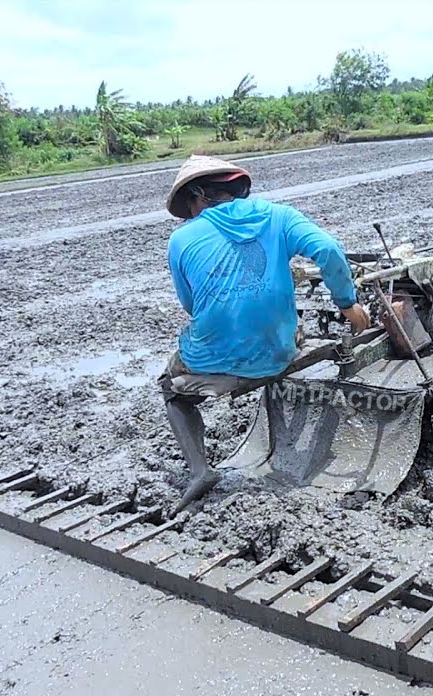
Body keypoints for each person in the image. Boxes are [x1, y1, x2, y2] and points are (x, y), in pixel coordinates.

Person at [158, 155, 370, 515]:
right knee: (289, 329)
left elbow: (192, 305)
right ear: (237, 188)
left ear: (196, 196)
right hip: (278, 352)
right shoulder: (279, 217)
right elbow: (330, 250)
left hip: (214, 360)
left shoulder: (181, 240)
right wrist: (348, 305)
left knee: (169, 386)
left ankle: (200, 470)